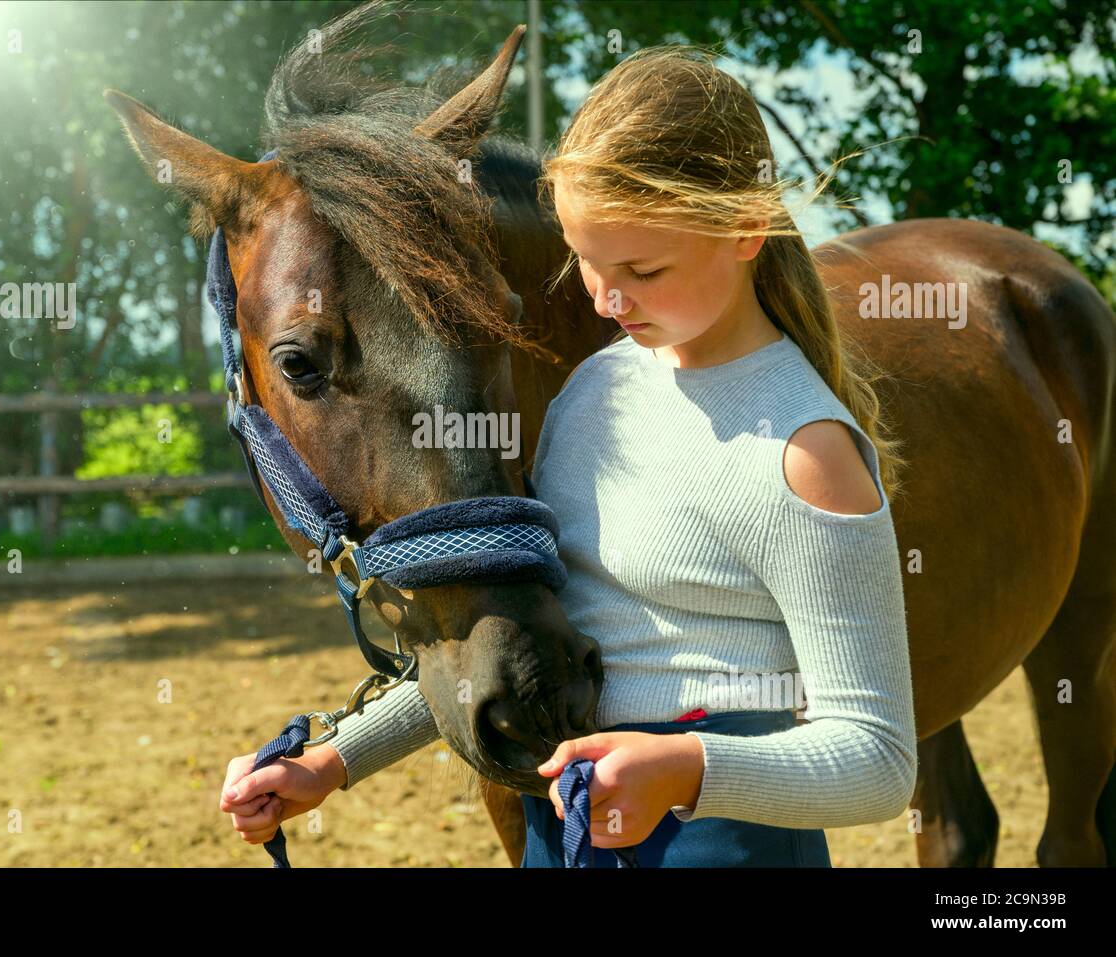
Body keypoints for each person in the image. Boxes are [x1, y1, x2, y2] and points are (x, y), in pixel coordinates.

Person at [220, 44, 917, 867]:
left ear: (745, 228)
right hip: (568, 839)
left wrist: (688, 767)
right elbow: (529, 632)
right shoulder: (591, 392)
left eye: (641, 268)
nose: (605, 298)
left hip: (726, 849)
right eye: (584, 261)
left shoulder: (806, 454)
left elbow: (879, 761)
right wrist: (335, 758)